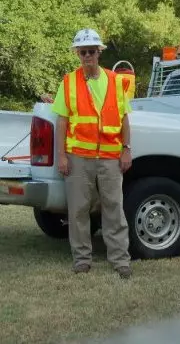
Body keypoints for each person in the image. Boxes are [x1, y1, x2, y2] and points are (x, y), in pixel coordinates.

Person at [51, 28, 133, 279]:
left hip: (110, 157)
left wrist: (126, 150)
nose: (87, 55)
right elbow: (61, 123)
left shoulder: (116, 81)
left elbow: (124, 119)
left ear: (99, 53)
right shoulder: (68, 82)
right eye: (82, 51)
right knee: (78, 210)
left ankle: (120, 260)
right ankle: (82, 259)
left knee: (114, 209)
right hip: (78, 157)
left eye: (91, 51)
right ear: (78, 54)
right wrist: (62, 156)